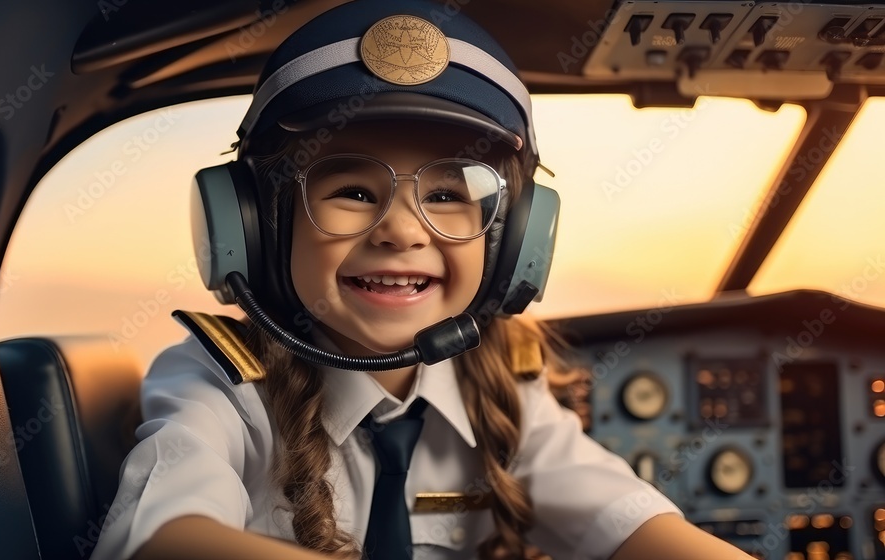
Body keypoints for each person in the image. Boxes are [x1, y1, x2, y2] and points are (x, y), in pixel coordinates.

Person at [91, 1, 754, 559]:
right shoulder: (219, 383)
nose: (402, 231)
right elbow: (164, 538)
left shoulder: (507, 392)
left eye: (448, 194)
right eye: (351, 190)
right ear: (255, 224)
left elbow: (634, 526)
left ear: (514, 237)